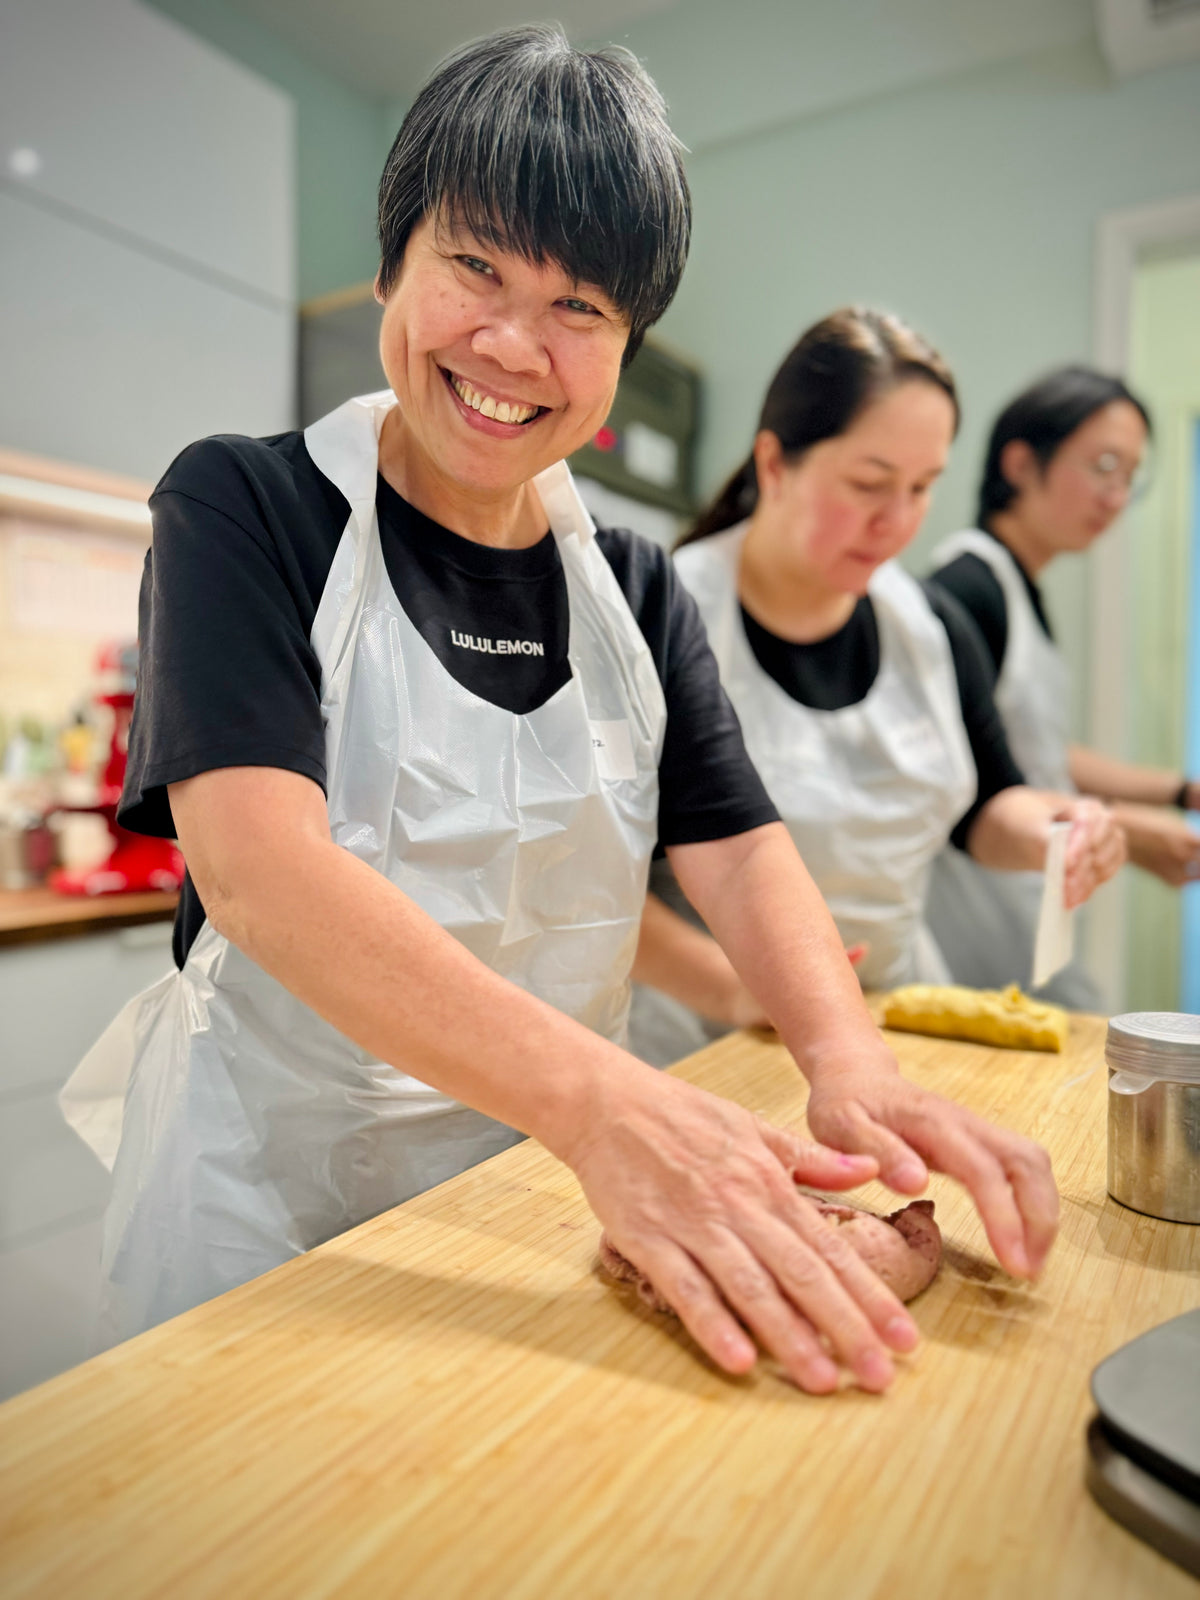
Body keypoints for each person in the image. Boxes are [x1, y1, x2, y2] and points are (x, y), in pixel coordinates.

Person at [61, 33, 1058, 1397]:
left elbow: (740, 844)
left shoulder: (633, 584)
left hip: (532, 1203)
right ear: (392, 266)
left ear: (624, 348)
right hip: (263, 1212)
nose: (515, 346)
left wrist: (848, 1058)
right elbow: (256, 872)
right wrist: (608, 1103)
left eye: (582, 307)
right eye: (477, 268)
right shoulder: (246, 506)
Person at [629, 310, 1125, 1065]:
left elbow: (987, 808)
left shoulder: (930, 625)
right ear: (774, 465)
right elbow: (586, 876)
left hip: (888, 1025)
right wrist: (737, 989)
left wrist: (1056, 832)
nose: (897, 524)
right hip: (704, 1043)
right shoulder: (662, 613)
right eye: (869, 484)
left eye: (924, 488)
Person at [927, 367, 1200, 1008]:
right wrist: (1131, 834)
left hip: (1024, 910)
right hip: (972, 924)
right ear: (1021, 463)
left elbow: (1036, 751)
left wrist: (1177, 792)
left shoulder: (1017, 588)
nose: (1117, 494)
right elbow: (972, 774)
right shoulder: (968, 590)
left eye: (1131, 475)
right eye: (1103, 465)